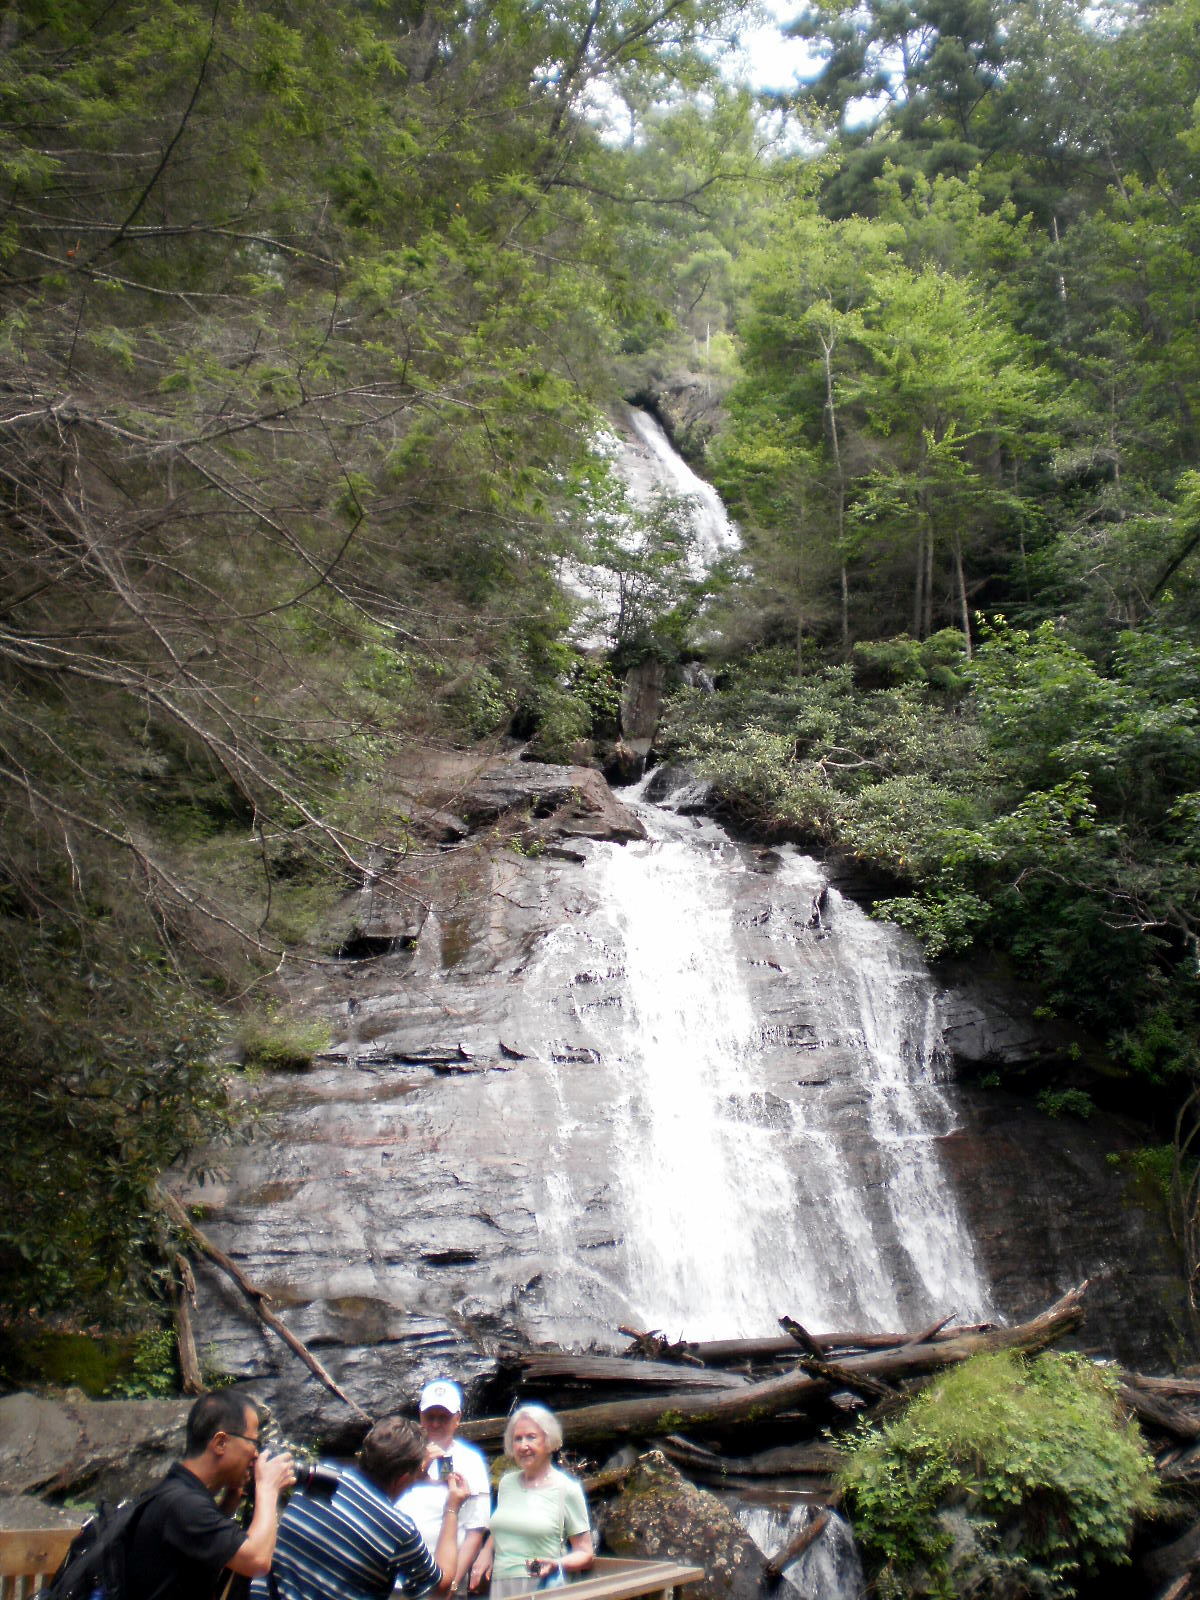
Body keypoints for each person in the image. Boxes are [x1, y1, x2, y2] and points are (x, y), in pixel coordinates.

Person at [252, 1414, 469, 1600]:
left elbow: (360, 1506)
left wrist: (410, 1477)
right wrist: (452, 1508)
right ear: (403, 1477)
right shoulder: (400, 1530)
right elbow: (439, 1587)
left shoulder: (322, 1476)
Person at [126, 1389, 295, 1600]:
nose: (256, 1454)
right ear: (220, 1443)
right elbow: (257, 1561)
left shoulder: (175, 1491)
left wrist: (229, 1504)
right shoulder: (184, 1505)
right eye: (253, 1442)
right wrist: (268, 1489)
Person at [469, 1405, 592, 1596]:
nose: (523, 1446)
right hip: (502, 1585)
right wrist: (486, 1551)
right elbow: (508, 1524)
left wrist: (557, 1564)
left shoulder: (566, 1489)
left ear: (548, 1440)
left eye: (531, 1437)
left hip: (540, 1584)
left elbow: (585, 1553)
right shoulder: (507, 1483)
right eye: (518, 1439)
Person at [396, 1378, 491, 1590]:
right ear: (420, 1416)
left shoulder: (471, 1460)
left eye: (444, 1417)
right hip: (398, 1581)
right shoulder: (401, 1456)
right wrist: (419, 1468)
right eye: (430, 1417)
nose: (436, 1424)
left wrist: (452, 1583)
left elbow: (475, 1530)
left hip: (443, 1578)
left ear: (457, 1419)